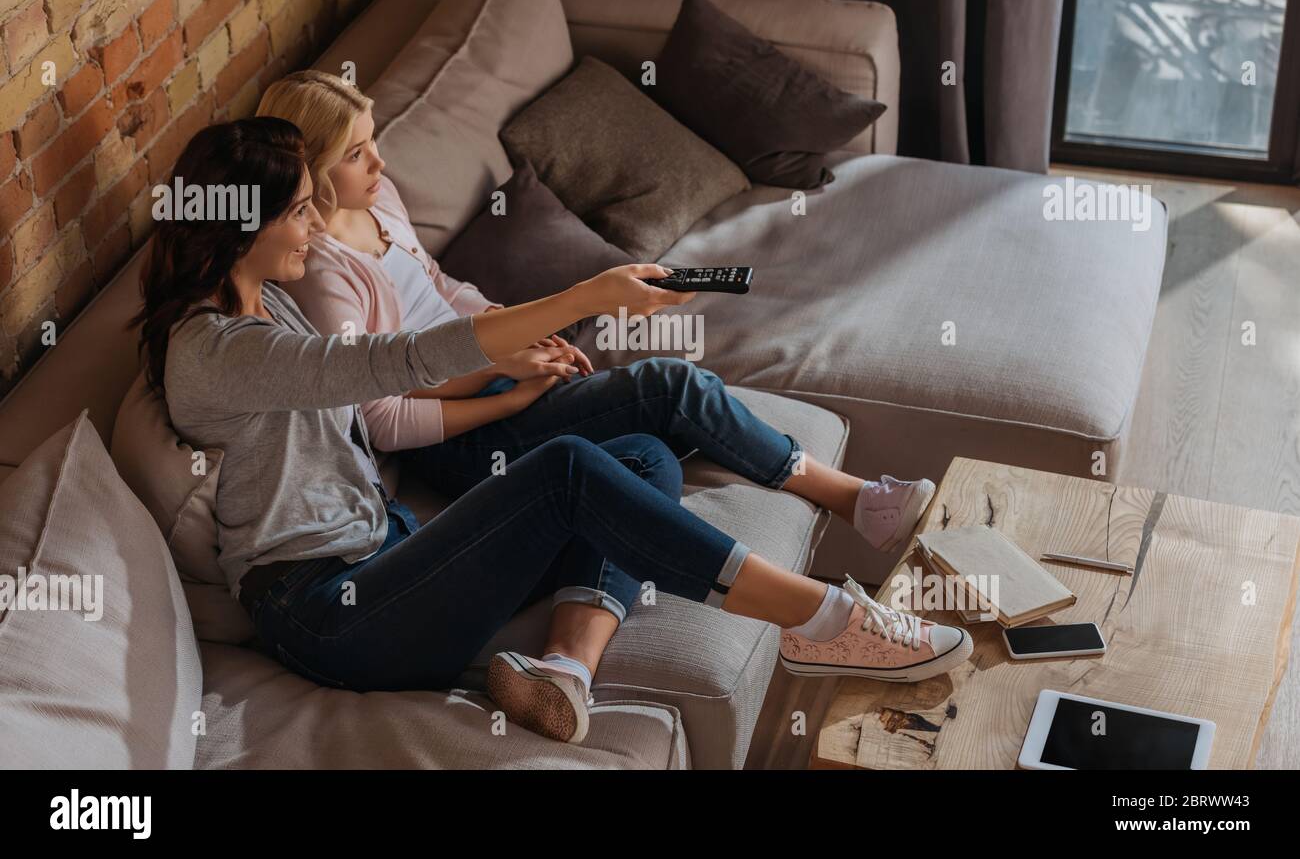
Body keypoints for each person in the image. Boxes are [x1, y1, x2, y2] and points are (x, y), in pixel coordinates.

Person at [134, 116, 971, 745]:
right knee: (569, 467)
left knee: (639, 453)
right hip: (328, 613)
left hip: (388, 555)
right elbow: (390, 366)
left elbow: (399, 360)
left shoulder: (267, 297)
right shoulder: (214, 351)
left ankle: (568, 667)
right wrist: (587, 297)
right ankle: (823, 620)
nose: (315, 228)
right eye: (296, 213)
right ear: (240, 223)